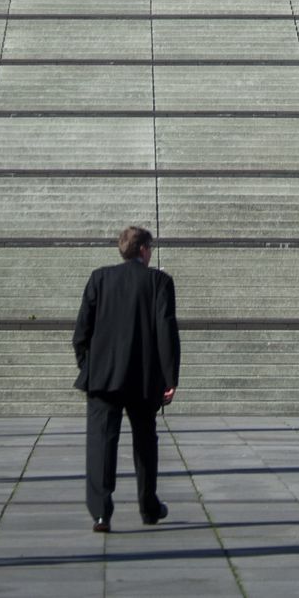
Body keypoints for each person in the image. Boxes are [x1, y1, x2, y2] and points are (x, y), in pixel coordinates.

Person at [73, 224, 180, 533]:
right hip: (144, 379)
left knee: (100, 444)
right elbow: (166, 332)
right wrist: (170, 377)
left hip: (102, 379)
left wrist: (89, 366)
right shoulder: (159, 282)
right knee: (145, 443)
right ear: (144, 250)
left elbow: (81, 332)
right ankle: (148, 506)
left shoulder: (100, 279)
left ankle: (101, 513)